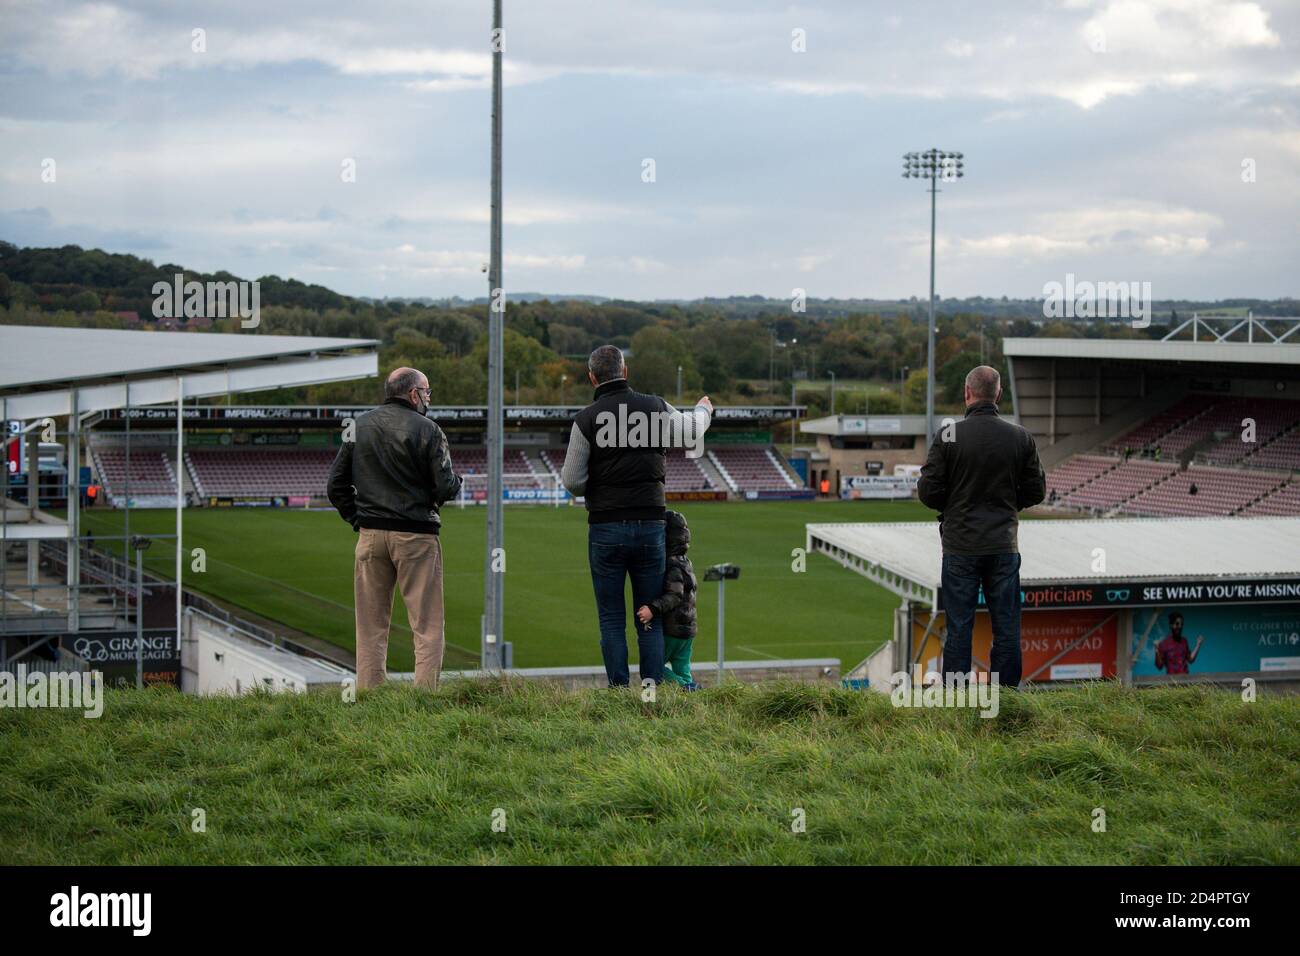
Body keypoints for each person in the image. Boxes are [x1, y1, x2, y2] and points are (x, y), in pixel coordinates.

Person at [561, 345, 712, 687]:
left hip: (605, 527)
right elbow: (691, 432)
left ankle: (617, 692)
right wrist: (703, 410)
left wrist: (599, 487)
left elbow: (572, 481)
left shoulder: (586, 419)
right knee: (649, 617)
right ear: (625, 372)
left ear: (591, 377)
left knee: (611, 619)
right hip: (649, 528)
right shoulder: (654, 406)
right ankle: (650, 694)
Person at [327, 367, 462, 690]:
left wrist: (358, 519)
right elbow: (445, 488)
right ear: (413, 394)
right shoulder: (429, 430)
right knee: (426, 625)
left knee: (370, 625)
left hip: (370, 537)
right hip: (416, 535)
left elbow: (335, 485)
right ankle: (424, 696)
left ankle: (368, 693)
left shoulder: (359, 426)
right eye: (427, 392)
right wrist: (458, 483)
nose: (429, 398)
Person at [917, 365, 1045, 689]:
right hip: (1003, 545)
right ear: (999, 394)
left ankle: (958, 701)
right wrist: (1007, 506)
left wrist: (955, 506)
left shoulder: (948, 435)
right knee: (1007, 626)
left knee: (960, 627)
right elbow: (1036, 491)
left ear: (967, 392)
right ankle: (1004, 699)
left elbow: (928, 491)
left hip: (960, 546)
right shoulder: (1020, 437)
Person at [636, 510, 699, 689]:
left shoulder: (671, 564)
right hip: (688, 629)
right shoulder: (685, 561)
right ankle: (690, 697)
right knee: (682, 668)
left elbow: (675, 594)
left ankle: (681, 689)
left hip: (672, 629)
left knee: (652, 667)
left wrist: (653, 609)